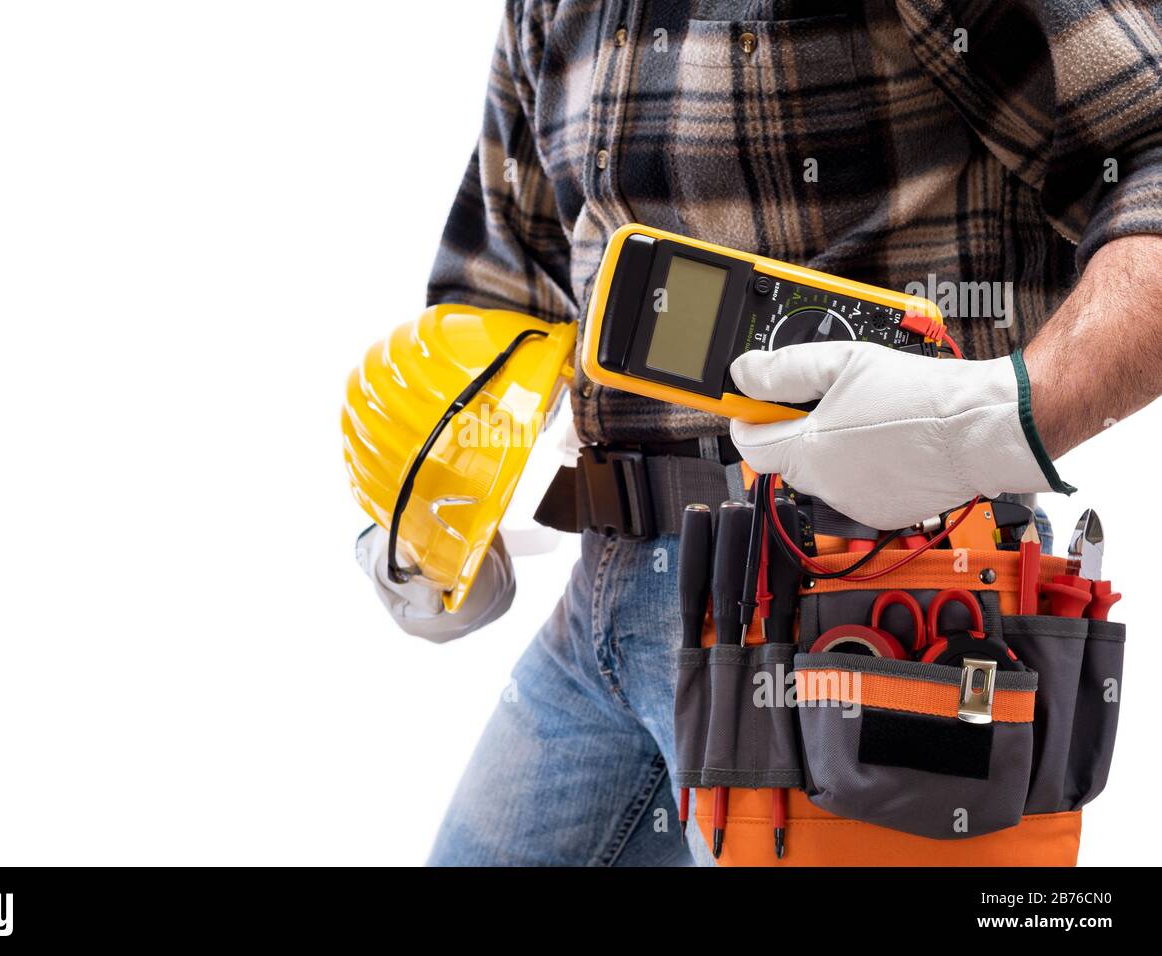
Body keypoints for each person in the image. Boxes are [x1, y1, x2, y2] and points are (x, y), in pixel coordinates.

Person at [414, 0, 1162, 864]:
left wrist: (995, 420)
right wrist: (431, 494)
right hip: (605, 596)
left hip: (879, 584)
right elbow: (505, 273)